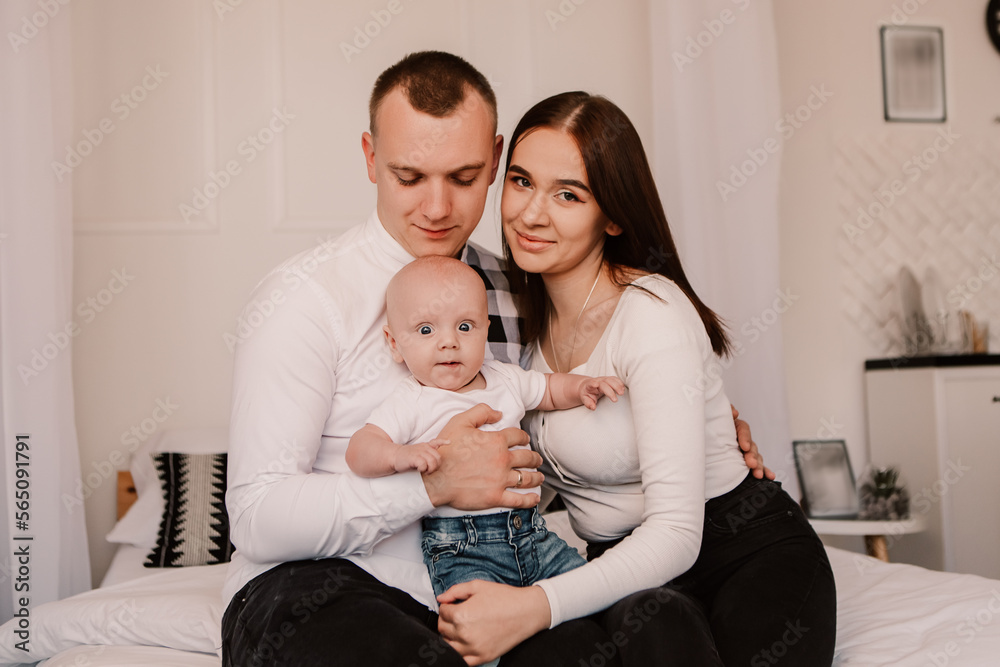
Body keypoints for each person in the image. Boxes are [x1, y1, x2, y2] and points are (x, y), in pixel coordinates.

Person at [222, 51, 768, 667]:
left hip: (495, 582)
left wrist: (704, 430)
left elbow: (542, 450)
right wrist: (432, 485)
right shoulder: (302, 300)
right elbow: (256, 517)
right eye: (409, 177)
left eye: (463, 177)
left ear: (495, 162)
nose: (436, 208)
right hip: (319, 582)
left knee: (653, 630)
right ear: (372, 158)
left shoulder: (511, 290)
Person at [433, 91, 837, 666]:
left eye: (568, 194)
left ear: (614, 215)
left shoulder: (650, 311)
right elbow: (547, 476)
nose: (530, 213)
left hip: (741, 551)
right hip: (630, 573)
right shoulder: (509, 328)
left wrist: (533, 605)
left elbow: (676, 532)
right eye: (521, 182)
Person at [347, 256, 622, 606]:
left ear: (485, 329)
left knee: (593, 597)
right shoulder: (413, 399)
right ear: (394, 343)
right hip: (462, 548)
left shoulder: (504, 378)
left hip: (534, 535)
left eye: (464, 326)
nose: (449, 342)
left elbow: (548, 388)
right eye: (426, 330)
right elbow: (360, 450)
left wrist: (582, 387)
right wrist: (399, 455)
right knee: (475, 621)